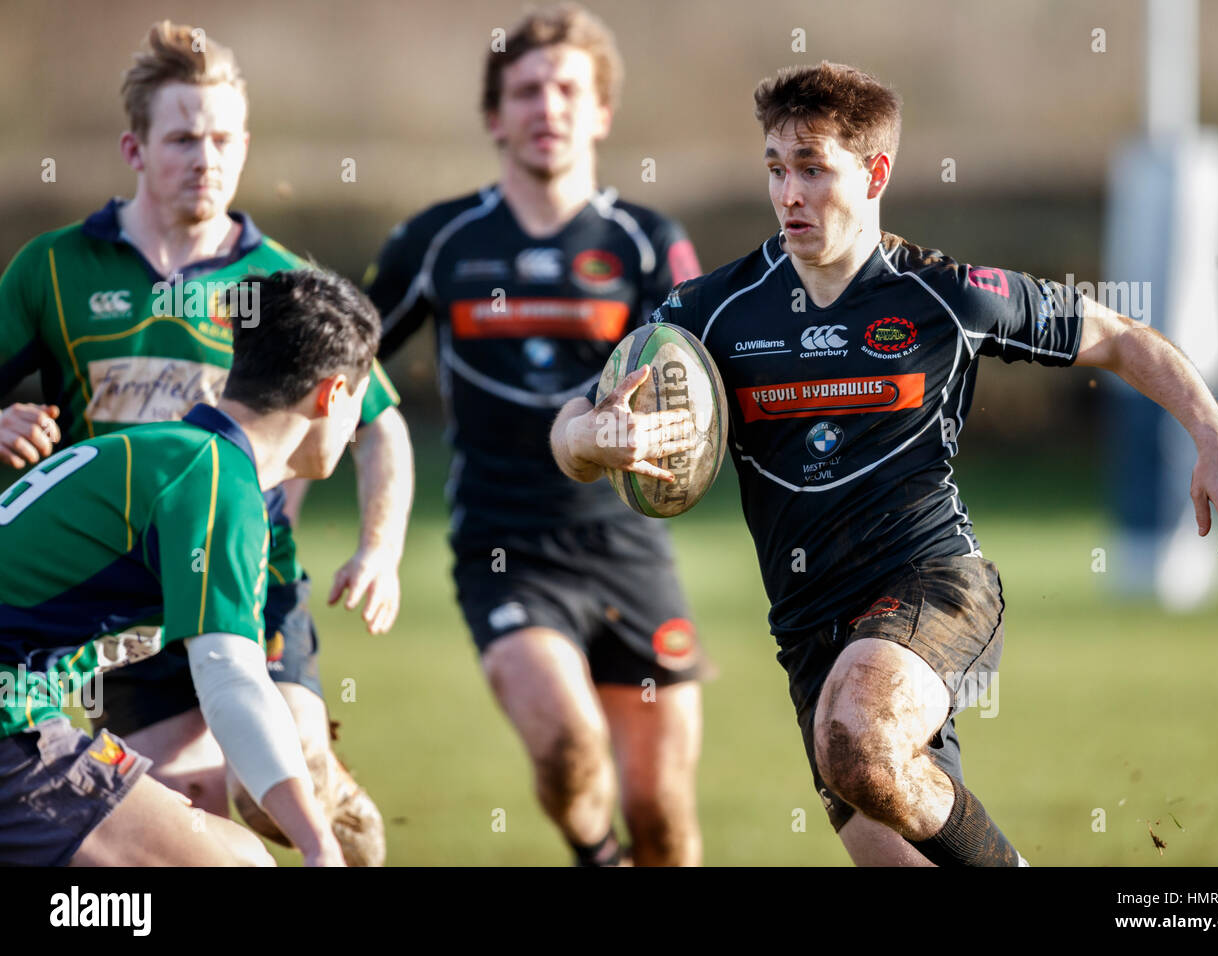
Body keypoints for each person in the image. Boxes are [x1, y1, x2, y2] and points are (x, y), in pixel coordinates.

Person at [551, 61, 1218, 866]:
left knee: (857, 742)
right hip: (809, 633)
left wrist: (1216, 435)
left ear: (876, 172)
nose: (789, 194)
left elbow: (1120, 339)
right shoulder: (710, 312)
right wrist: (592, 440)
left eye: (813, 168)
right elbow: (573, 418)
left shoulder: (946, 296)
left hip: (935, 584)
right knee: (874, 782)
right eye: (776, 169)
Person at [0, 21, 413, 865]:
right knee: (203, 838)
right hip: (109, 609)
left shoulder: (286, 292)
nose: (207, 158)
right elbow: (227, 680)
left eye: (224, 139)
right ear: (135, 148)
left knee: (264, 789)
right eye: (185, 138)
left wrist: (379, 548)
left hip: (209, 590)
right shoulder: (55, 270)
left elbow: (385, 427)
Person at [366, 4, 705, 865]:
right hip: (504, 545)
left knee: (661, 810)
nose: (547, 106)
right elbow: (338, 365)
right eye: (525, 91)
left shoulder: (646, 242)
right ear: (495, 117)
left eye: (567, 89)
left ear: (601, 113)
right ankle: (595, 854)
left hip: (629, 543)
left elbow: (705, 372)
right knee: (567, 744)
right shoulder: (440, 241)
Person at [0, 268, 380, 866]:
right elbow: (230, 679)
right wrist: (318, 843)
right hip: (10, 722)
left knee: (221, 848)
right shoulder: (215, 482)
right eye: (360, 402)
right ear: (333, 395)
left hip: (21, 713)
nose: (357, 428)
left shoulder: (171, 454)